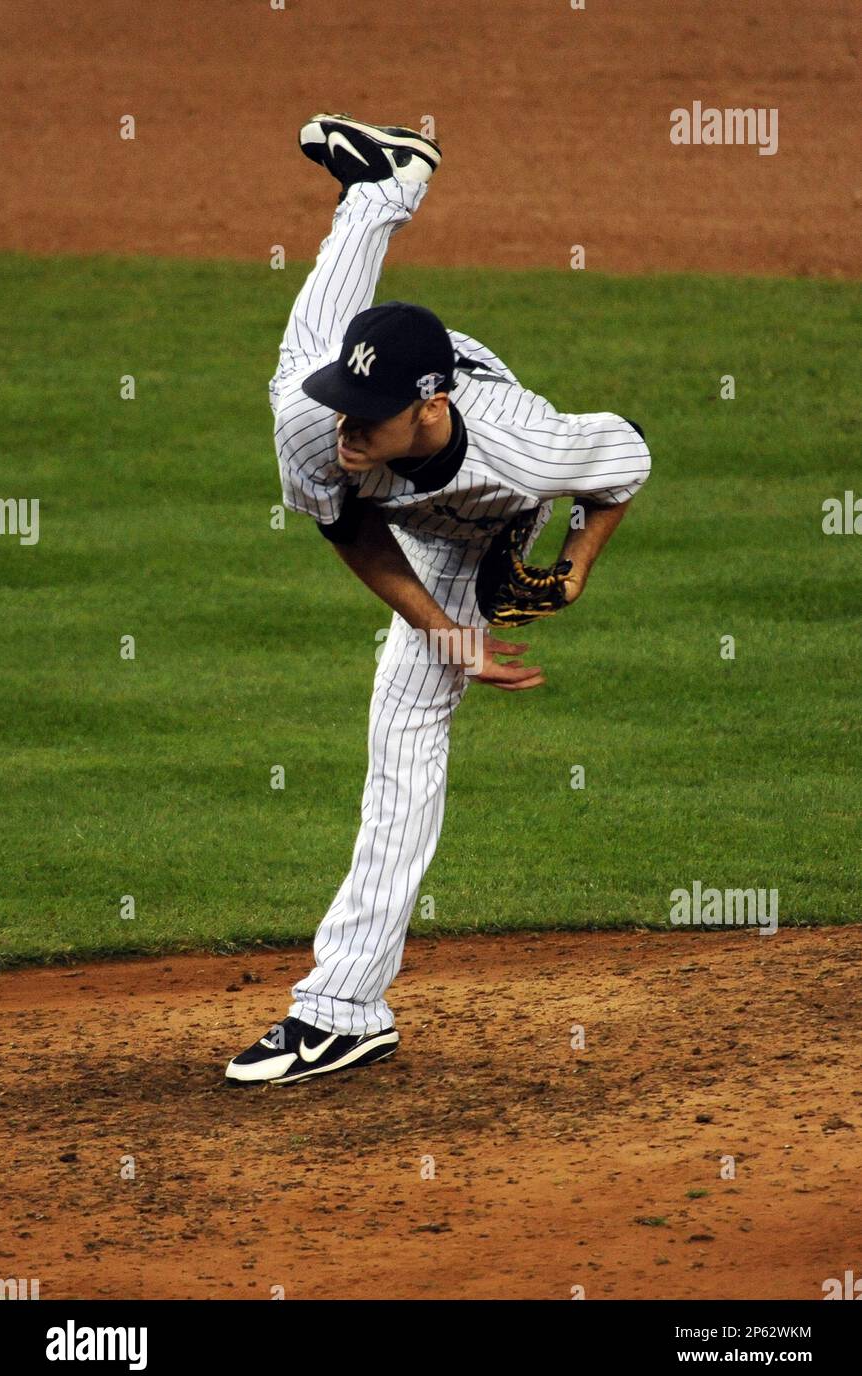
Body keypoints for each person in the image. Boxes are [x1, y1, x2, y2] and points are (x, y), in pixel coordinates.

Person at [226, 114, 651, 1085]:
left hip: (482, 524)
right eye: (345, 406)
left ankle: (339, 1010)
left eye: (367, 416)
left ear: (429, 405)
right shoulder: (318, 417)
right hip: (389, 468)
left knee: (405, 728)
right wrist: (441, 632)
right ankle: (380, 188)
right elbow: (347, 524)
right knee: (304, 355)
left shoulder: (524, 445)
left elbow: (626, 456)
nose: (345, 427)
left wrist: (574, 568)